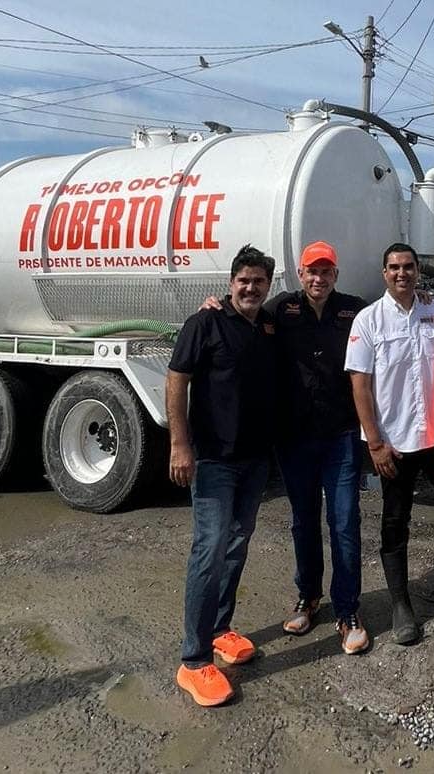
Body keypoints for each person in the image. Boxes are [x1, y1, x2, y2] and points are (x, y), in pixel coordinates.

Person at [165, 244, 278, 707]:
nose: (250, 288)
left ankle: (220, 630)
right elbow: (176, 379)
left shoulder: (268, 327)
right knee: (208, 551)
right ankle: (192, 661)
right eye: (243, 280)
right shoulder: (205, 322)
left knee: (236, 544)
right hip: (213, 459)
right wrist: (180, 443)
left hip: (254, 460)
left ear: (268, 286)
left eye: (259, 281)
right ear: (230, 283)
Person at [345, 242, 434, 645]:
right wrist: (376, 444)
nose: (402, 273)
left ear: (419, 271)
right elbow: (360, 386)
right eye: (394, 267)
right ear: (384, 273)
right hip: (396, 442)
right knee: (395, 521)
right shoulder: (368, 320)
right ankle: (402, 606)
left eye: (409, 267)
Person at [269, 241, 371, 655]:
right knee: (303, 521)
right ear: (300, 273)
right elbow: (241, 315)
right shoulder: (280, 309)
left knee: (344, 522)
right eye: (312, 271)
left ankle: (348, 612)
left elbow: (387, 328)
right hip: (295, 437)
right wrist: (215, 305)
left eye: (326, 271)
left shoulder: (354, 310)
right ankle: (308, 599)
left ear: (336, 276)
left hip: (341, 434)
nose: (318, 278)